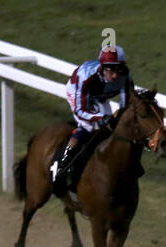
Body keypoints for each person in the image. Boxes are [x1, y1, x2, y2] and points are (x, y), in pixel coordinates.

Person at [51, 45, 133, 195]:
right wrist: (101, 118)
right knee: (88, 127)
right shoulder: (85, 76)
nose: (115, 76)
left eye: (118, 70)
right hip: (78, 93)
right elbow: (81, 110)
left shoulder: (125, 75)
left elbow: (125, 103)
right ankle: (61, 166)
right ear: (102, 68)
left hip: (100, 96)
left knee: (115, 130)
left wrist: (119, 118)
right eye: (111, 71)